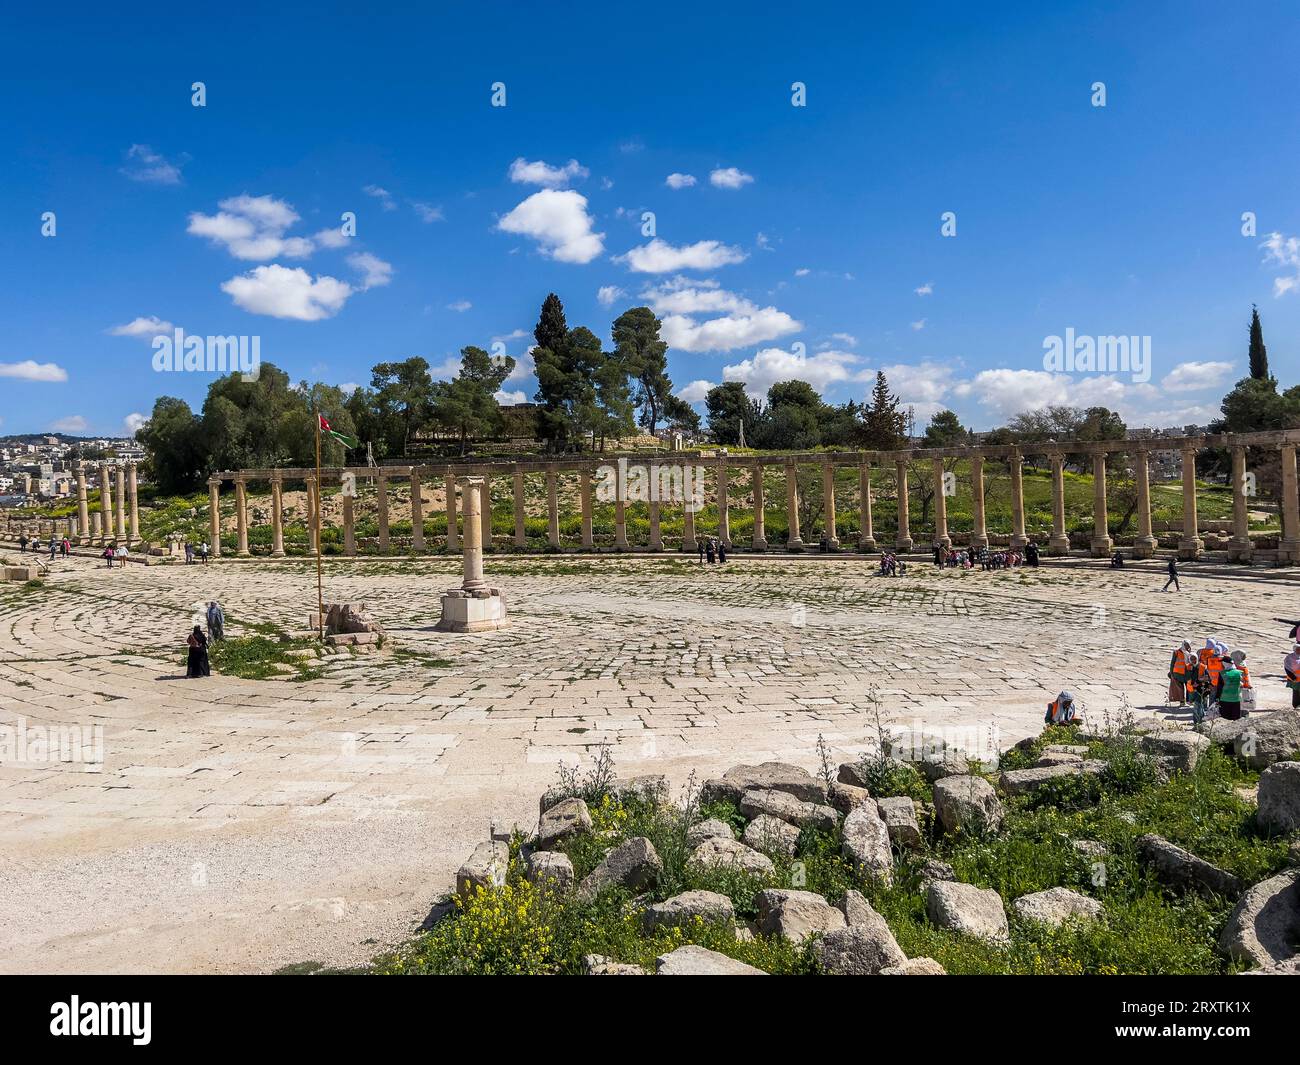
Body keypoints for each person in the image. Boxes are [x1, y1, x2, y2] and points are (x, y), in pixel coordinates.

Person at [1217, 656, 1246, 721]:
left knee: (1225, 719)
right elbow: (1243, 684)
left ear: (1225, 663)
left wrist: (1217, 699)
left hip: (1224, 699)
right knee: (1235, 720)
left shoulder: (1222, 673)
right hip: (1237, 699)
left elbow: (1219, 688)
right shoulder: (1240, 672)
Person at [1167, 640, 1193, 706]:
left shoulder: (1189, 653)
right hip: (1178, 673)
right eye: (1186, 644)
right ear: (1183, 644)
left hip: (1187, 673)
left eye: (1188, 644)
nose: (1188, 646)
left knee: (1189, 687)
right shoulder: (1176, 652)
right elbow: (1172, 663)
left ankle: (1189, 701)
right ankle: (1182, 702)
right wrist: (1172, 673)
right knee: (1180, 688)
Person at [1285, 644, 1300, 709]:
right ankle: (1296, 705)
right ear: (1294, 649)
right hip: (1294, 678)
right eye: (1298, 649)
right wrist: (1293, 677)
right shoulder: (1290, 657)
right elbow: (1287, 667)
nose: (1299, 651)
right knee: (1296, 691)